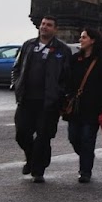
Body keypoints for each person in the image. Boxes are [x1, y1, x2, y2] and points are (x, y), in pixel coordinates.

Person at [11, 15, 71, 183]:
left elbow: (67, 77)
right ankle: (31, 159)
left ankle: (38, 170)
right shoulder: (28, 45)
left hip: (49, 102)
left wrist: (60, 93)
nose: (44, 27)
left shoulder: (62, 50)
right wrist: (16, 85)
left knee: (43, 137)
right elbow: (16, 68)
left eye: (49, 25)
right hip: (26, 100)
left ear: (55, 29)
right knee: (21, 134)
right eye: (43, 24)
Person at [65, 28, 102, 184]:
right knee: (74, 137)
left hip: (94, 108)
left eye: (84, 37)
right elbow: (67, 80)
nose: (80, 40)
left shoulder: (101, 61)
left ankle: (85, 171)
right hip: (76, 107)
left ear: (92, 40)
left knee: (87, 139)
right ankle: (87, 156)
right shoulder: (75, 59)